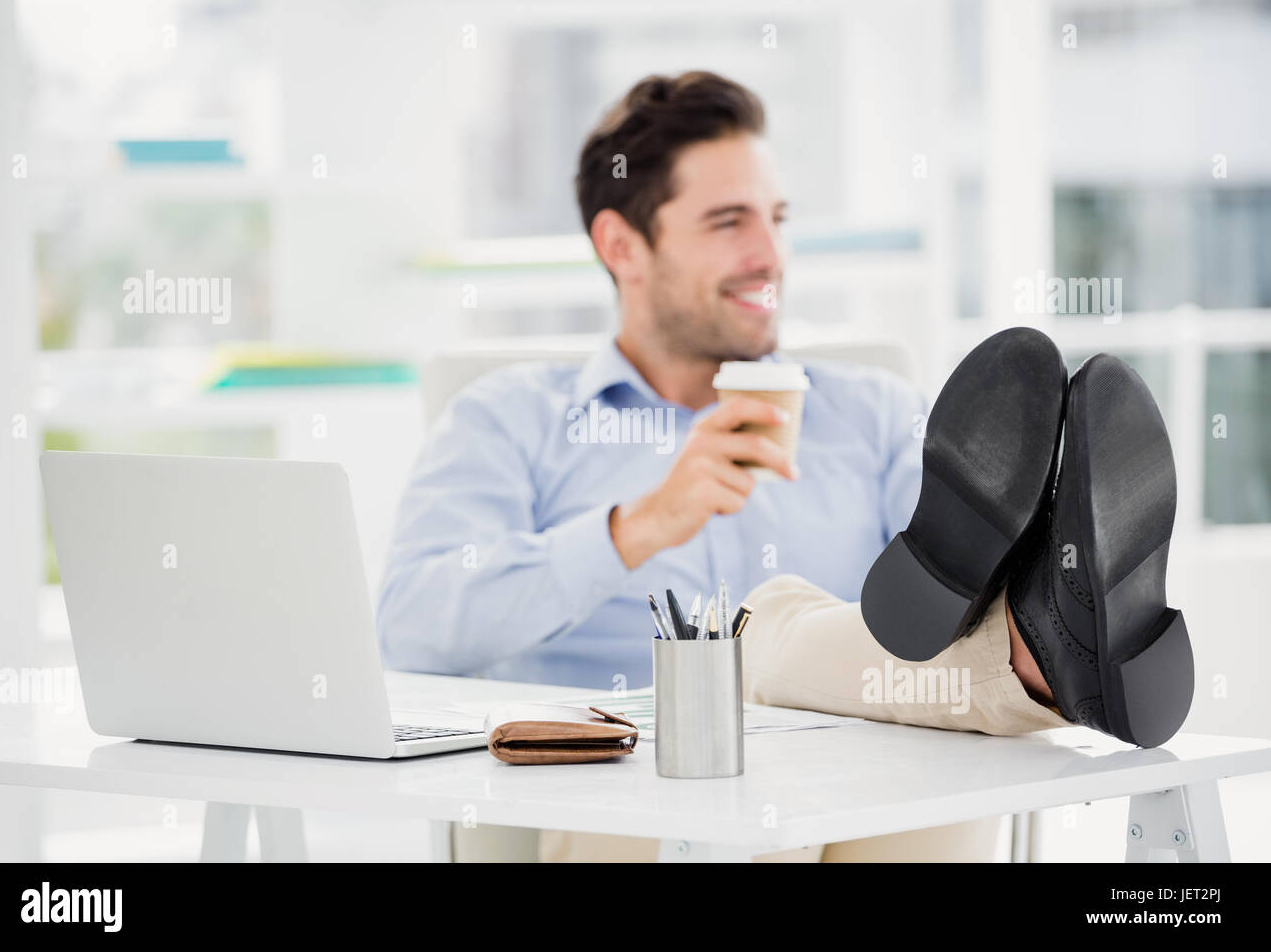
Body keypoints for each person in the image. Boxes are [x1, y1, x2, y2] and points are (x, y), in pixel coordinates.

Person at [375, 71, 1192, 862]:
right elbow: (410, 627)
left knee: (891, 695)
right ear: (622, 244)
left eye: (778, 217)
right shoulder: (511, 418)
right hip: (621, 784)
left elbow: (925, 647)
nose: (770, 254)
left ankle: (1025, 632)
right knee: (763, 630)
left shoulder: (870, 414)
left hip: (859, 775)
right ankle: (1037, 651)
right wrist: (637, 527)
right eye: (728, 221)